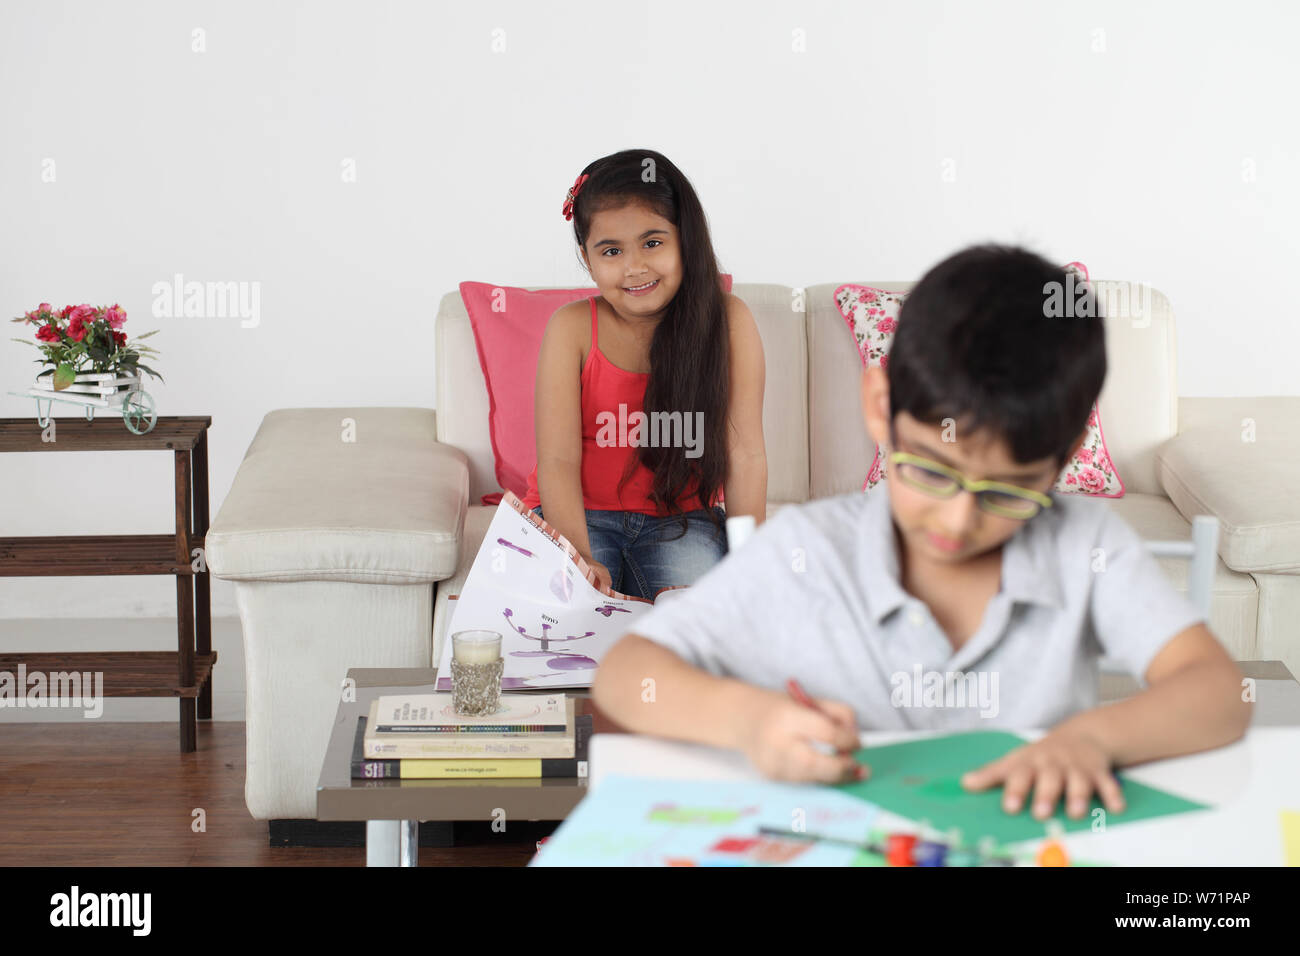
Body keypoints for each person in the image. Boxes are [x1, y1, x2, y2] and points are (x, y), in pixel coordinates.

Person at [592, 244, 1251, 821]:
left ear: (1069, 452)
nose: (959, 520)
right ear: (881, 406)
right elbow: (626, 676)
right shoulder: (811, 548)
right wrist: (751, 720)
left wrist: (1094, 739)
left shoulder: (1083, 542)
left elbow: (1219, 690)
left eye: (1008, 489)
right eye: (932, 472)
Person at [520, 149, 767, 600]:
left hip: (681, 522)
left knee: (695, 633)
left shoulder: (729, 320)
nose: (635, 267)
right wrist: (578, 556)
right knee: (574, 614)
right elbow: (557, 459)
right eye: (612, 251)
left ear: (685, 240)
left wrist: (752, 559)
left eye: (653, 243)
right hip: (581, 515)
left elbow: (745, 454)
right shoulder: (571, 327)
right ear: (586, 257)